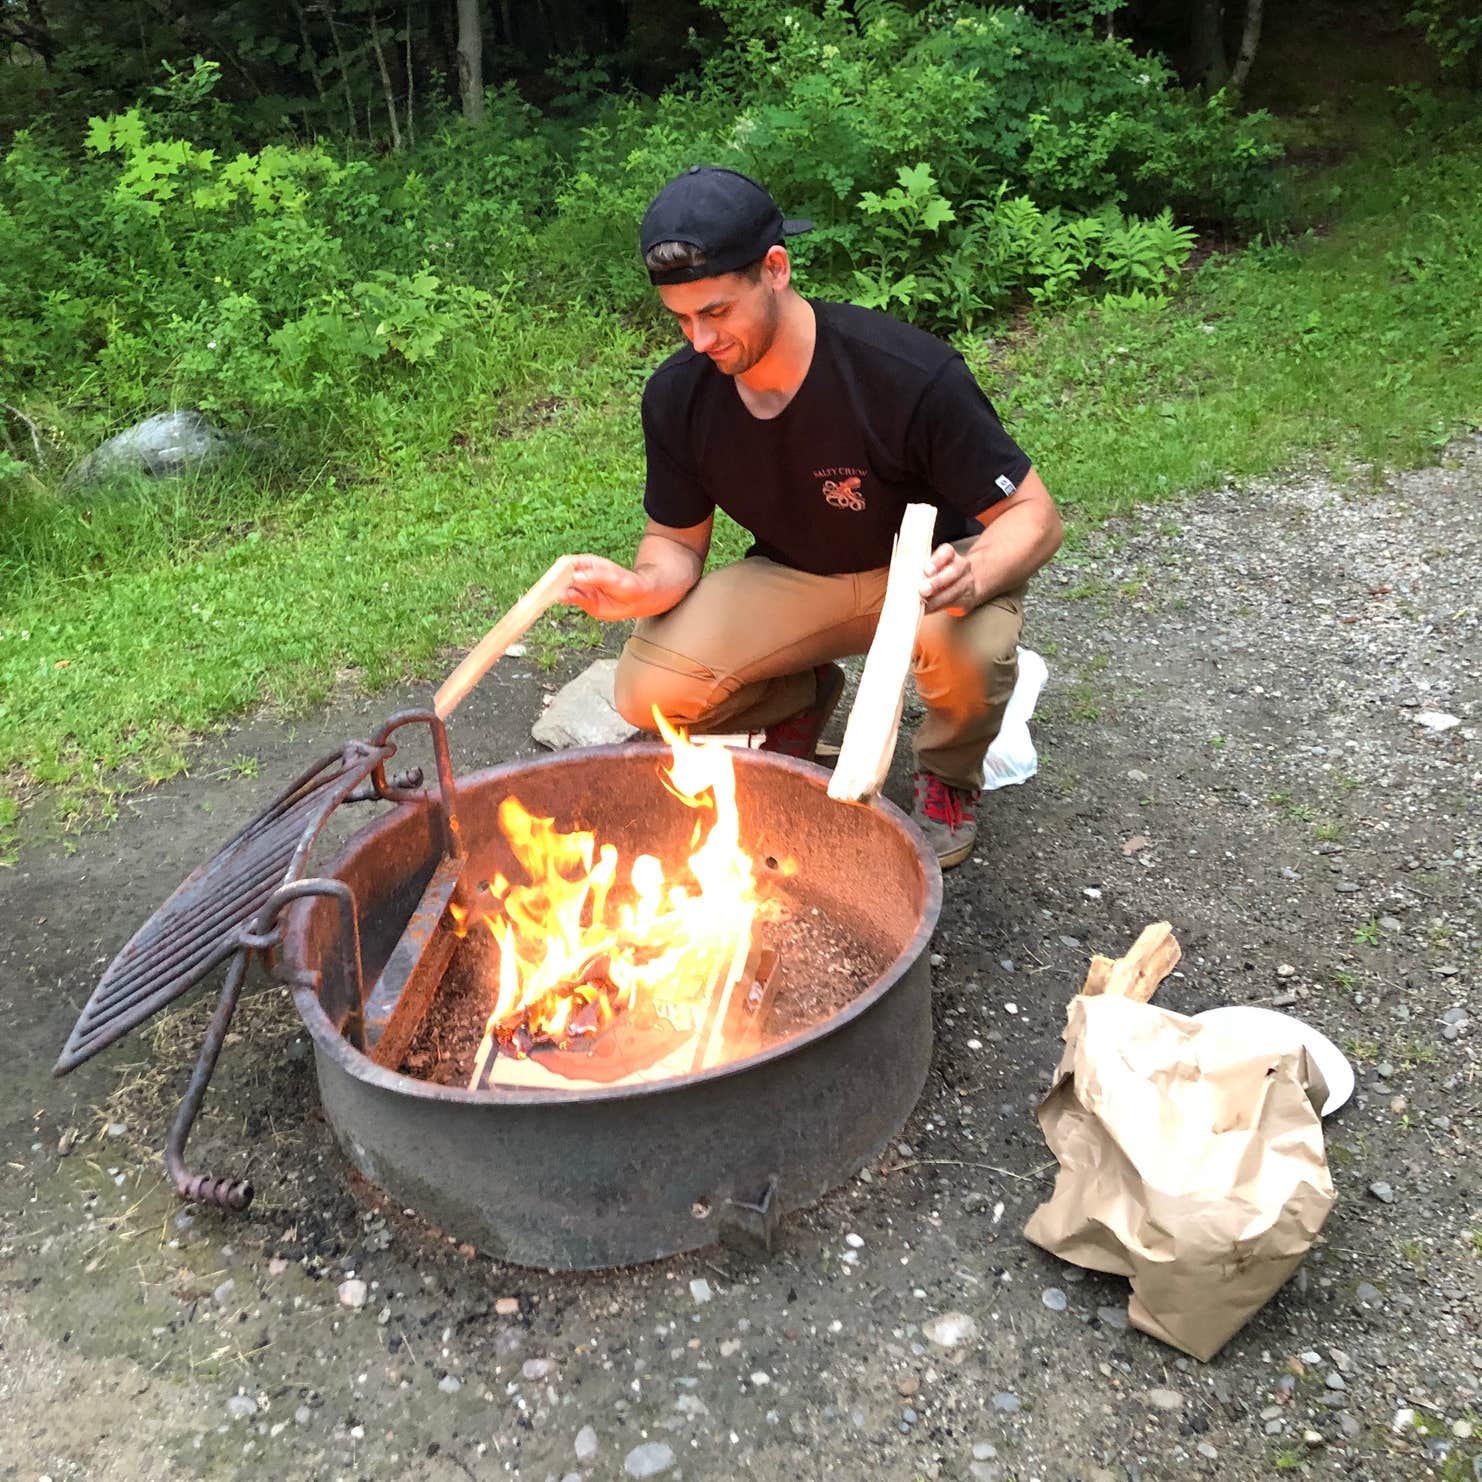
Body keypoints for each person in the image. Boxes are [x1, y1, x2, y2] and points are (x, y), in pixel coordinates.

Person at [560, 166, 1062, 869]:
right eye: (681, 319)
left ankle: (948, 776)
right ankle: (800, 698)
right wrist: (642, 588)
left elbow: (1035, 515)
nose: (700, 341)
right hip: (799, 579)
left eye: (717, 312)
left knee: (967, 651)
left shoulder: (903, 373)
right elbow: (675, 542)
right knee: (648, 691)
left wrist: (975, 571)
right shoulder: (680, 396)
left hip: (928, 582)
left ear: (775, 269)